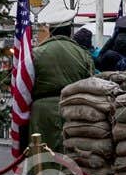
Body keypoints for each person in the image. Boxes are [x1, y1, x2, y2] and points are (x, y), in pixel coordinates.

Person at [29, 19, 95, 153]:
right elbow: (91, 84)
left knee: (42, 160)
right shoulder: (82, 54)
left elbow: (28, 83)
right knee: (72, 157)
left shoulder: (36, 53)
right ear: (70, 31)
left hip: (42, 112)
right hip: (74, 110)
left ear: (51, 31)